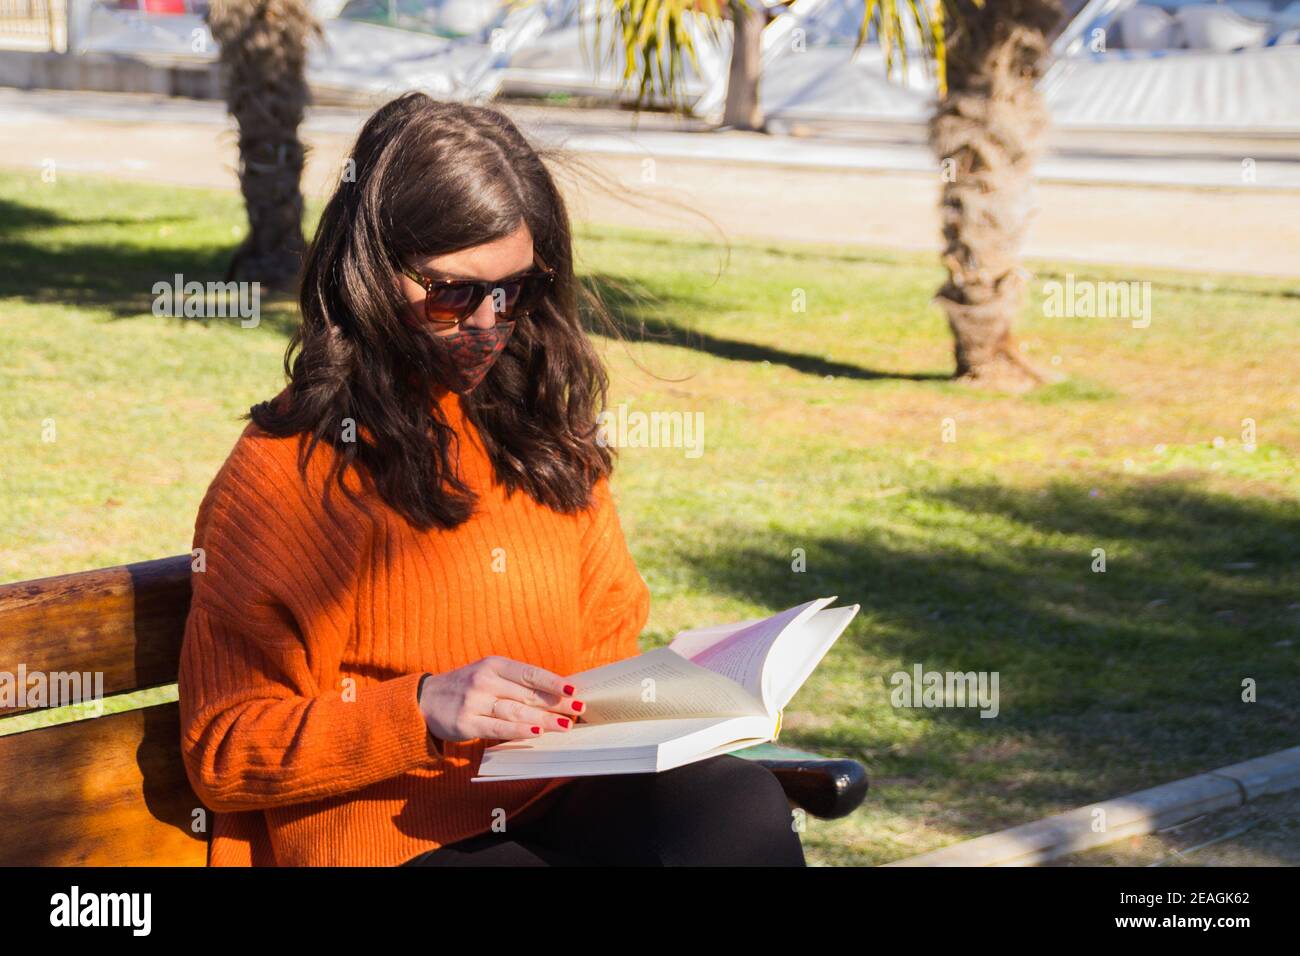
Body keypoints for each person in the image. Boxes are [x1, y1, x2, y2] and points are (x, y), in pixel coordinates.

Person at [176, 91, 804, 867]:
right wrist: (421, 709)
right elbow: (224, 749)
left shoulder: (535, 428)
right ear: (367, 272)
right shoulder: (288, 473)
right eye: (451, 292)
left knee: (734, 805)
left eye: (516, 289)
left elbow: (608, 643)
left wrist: (665, 701)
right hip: (386, 843)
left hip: (554, 797)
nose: (487, 323)